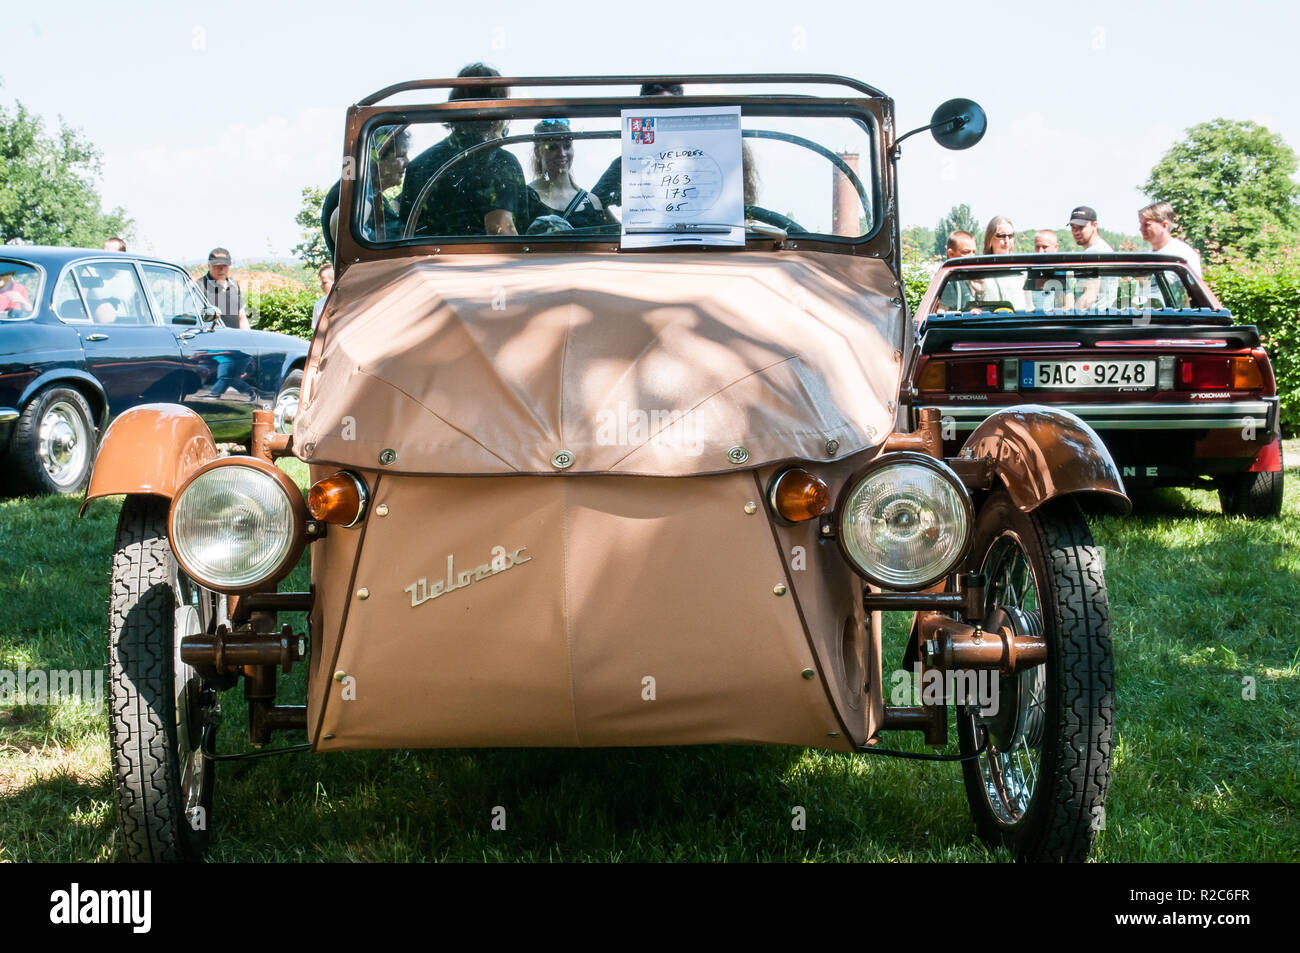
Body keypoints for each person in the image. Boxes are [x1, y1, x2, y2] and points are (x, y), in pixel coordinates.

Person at [397, 63, 528, 237]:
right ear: (499, 111)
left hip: (425, 262)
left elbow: (406, 233)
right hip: (481, 263)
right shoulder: (500, 162)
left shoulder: (419, 164)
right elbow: (500, 229)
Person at [589, 82, 685, 212]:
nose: (664, 118)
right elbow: (595, 201)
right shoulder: (627, 163)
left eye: (671, 109)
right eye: (657, 109)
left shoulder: (701, 156)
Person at [524, 119, 613, 232]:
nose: (562, 153)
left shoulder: (593, 202)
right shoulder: (526, 198)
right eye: (553, 147)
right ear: (538, 152)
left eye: (567, 146)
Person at [1067, 206, 1116, 309]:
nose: (1076, 232)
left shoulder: (1094, 252)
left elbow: (1090, 296)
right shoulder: (1101, 248)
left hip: (1093, 318)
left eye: (1081, 227)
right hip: (1103, 316)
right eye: (1073, 227)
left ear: (1094, 225)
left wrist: (1071, 317)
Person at [1138, 200, 1202, 276]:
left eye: (1147, 224)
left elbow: (1193, 287)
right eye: (1141, 224)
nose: (1141, 229)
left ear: (1164, 225)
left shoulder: (1182, 255)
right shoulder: (1148, 257)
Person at [197, 247, 249, 329]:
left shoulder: (234, 285)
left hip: (235, 337)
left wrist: (247, 337)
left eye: (224, 265)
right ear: (209, 265)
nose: (221, 269)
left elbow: (241, 317)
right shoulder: (198, 287)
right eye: (217, 266)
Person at [938, 231, 978, 311]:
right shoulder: (949, 277)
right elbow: (942, 311)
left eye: (974, 252)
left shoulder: (964, 274)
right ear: (951, 254)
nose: (972, 257)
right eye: (966, 252)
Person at [311, 263, 335, 331]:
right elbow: (316, 333)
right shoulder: (319, 305)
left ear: (335, 281)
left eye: (324, 282)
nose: (321, 286)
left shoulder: (348, 302)